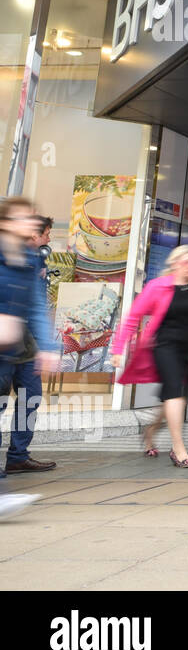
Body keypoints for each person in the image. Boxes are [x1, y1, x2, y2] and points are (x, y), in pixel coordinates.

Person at [109, 244, 188, 468]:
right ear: (174, 263)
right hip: (163, 346)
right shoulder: (157, 286)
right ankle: (178, 449)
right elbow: (133, 317)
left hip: (186, 348)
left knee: (173, 396)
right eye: (187, 262)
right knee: (176, 392)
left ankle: (150, 432)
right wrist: (118, 348)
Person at [0, 198, 61, 509]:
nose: (33, 223)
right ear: (6, 222)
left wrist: (48, 347)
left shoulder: (28, 256)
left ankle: (17, 458)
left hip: (14, 350)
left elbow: (37, 305)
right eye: (25, 217)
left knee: (29, 398)